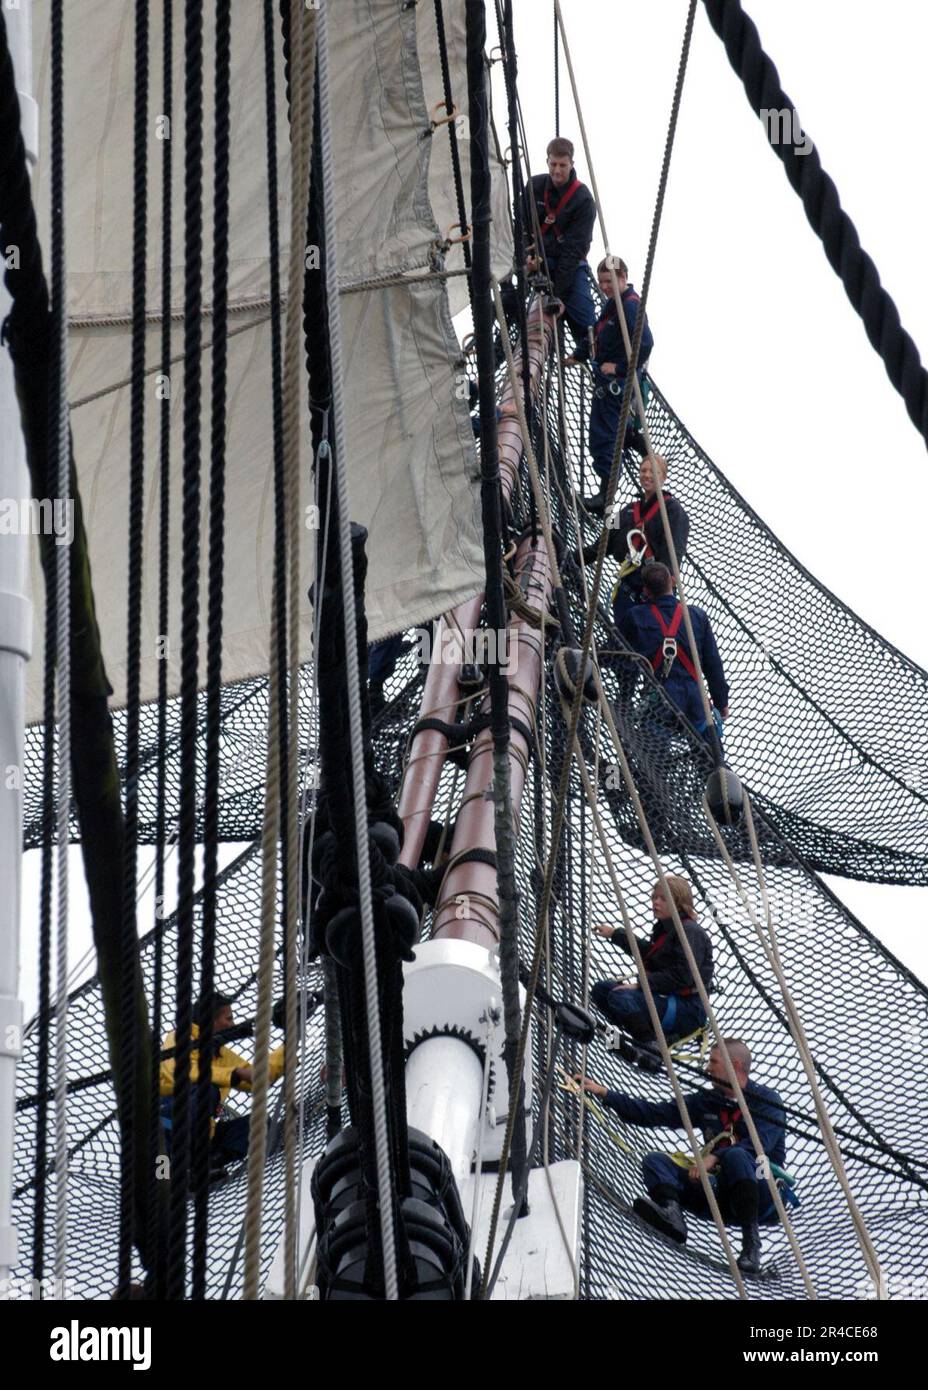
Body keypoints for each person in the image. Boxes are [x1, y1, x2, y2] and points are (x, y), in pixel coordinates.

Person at [576, 1039, 786, 1275]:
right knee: (655, 1161)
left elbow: (760, 1147)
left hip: (761, 1192)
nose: (707, 1068)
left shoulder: (767, 1102)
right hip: (720, 1194)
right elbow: (654, 1113)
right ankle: (672, 1218)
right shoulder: (707, 1101)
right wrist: (605, 1093)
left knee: (737, 1156)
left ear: (734, 1065)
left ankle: (752, 1246)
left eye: (713, 1061)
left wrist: (714, 1157)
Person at [159, 991, 285, 1181]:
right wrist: (233, 1075)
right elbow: (186, 1071)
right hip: (165, 1133)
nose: (232, 1025)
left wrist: (290, 1042)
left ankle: (205, 1165)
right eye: (229, 1018)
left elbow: (258, 1079)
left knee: (261, 1125)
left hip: (200, 1142)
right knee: (206, 1091)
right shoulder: (179, 1037)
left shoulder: (221, 1054)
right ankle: (166, 1177)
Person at [591, 874, 712, 1067]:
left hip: (687, 1010)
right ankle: (629, 1046)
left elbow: (683, 976)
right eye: (654, 897)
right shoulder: (666, 930)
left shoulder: (690, 932)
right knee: (601, 990)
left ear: (679, 903)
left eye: (663, 898)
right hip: (666, 1000)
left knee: (620, 997)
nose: (656, 902)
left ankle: (651, 1049)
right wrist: (615, 934)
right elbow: (651, 954)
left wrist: (640, 985)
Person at [565, 257, 654, 513]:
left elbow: (646, 343)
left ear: (623, 278)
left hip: (616, 383)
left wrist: (620, 369)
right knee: (613, 430)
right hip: (609, 381)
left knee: (602, 436)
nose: (604, 286)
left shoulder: (629, 307)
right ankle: (632, 439)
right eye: (601, 281)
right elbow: (597, 332)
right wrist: (577, 356)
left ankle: (605, 496)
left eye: (609, 281)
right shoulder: (613, 305)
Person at [617, 561, 728, 746]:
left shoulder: (636, 616)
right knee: (714, 763)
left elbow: (620, 658)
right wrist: (720, 701)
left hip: (660, 700)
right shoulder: (697, 616)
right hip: (696, 702)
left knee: (652, 762)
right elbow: (712, 664)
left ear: (646, 591)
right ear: (673, 581)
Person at [575, 455, 689, 626]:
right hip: (625, 595)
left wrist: (662, 594)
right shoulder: (627, 510)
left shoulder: (674, 511)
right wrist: (567, 557)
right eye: (643, 470)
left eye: (653, 471)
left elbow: (673, 557)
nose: (647, 475)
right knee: (622, 639)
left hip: (652, 596)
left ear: (663, 477)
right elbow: (599, 546)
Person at [524, 137, 597, 346]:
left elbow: (573, 251)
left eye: (562, 165)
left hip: (568, 267)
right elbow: (520, 224)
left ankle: (592, 363)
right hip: (536, 261)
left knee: (586, 324)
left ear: (572, 164)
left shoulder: (583, 200)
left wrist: (558, 295)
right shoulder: (534, 186)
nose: (557, 171)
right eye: (553, 164)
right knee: (509, 307)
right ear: (547, 161)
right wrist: (526, 257)